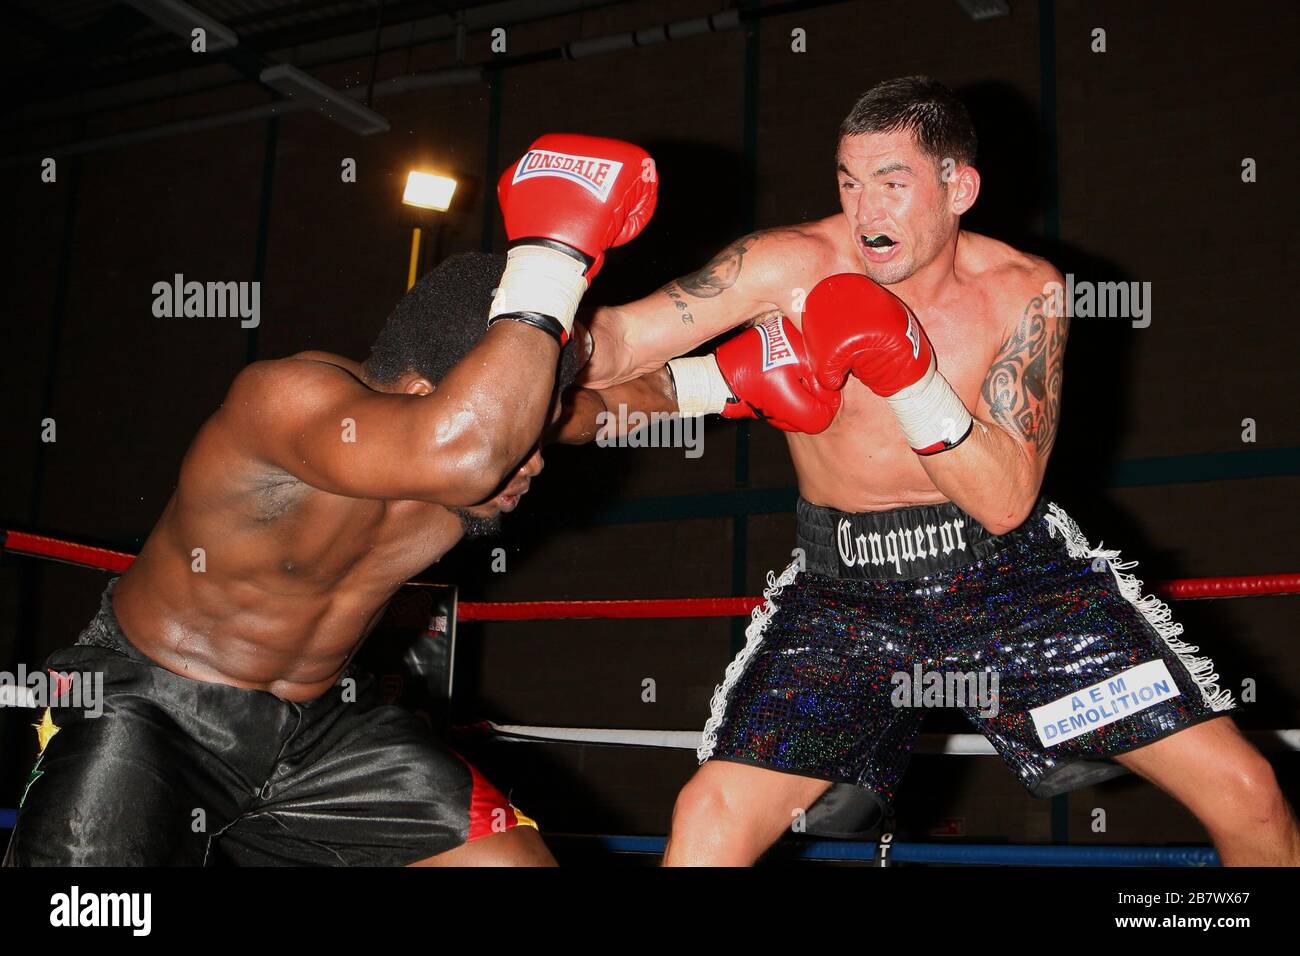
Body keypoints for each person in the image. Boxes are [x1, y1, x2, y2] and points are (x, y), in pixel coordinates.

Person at [560, 77, 1300, 866]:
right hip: (843, 593)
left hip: (1013, 582)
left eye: (892, 183)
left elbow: (1007, 500)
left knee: (1248, 795)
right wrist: (531, 316)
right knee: (710, 818)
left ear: (960, 187)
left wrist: (907, 377)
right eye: (849, 182)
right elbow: (618, 345)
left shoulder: (1026, 291)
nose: (865, 211)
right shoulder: (786, 266)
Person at [5, 134, 656, 867]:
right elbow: (471, 447)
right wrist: (551, 255)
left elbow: (635, 386)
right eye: (521, 437)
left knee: (508, 863)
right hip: (150, 709)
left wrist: (737, 376)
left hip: (322, 730)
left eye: (539, 431)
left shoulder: (502, 423)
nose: (533, 461)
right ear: (419, 397)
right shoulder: (286, 400)